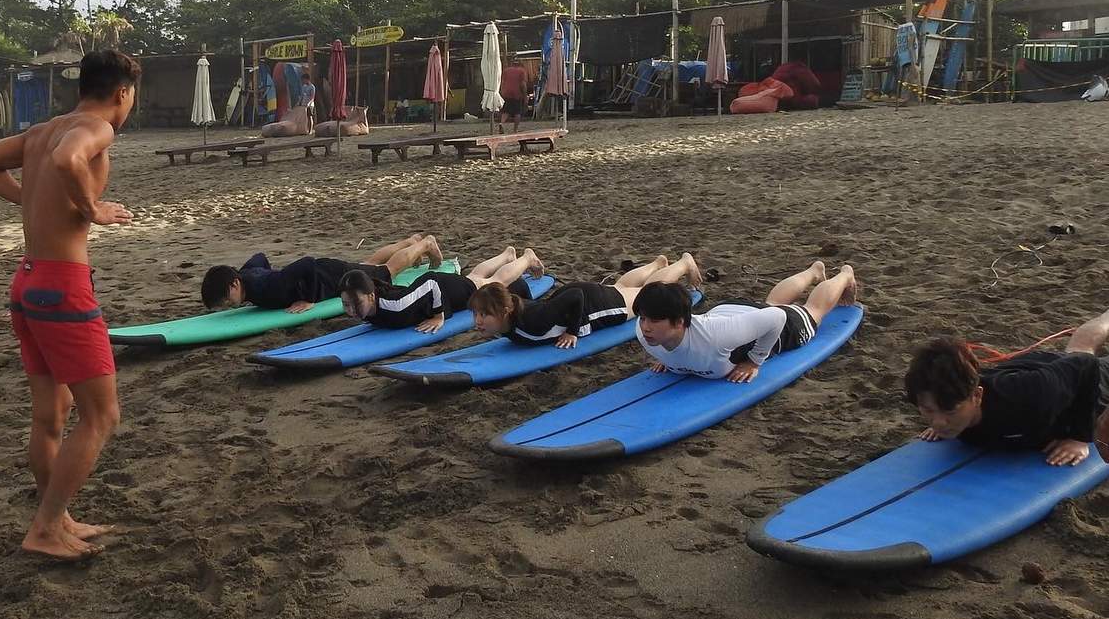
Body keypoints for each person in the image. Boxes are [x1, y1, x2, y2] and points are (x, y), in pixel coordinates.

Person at [0, 49, 140, 561]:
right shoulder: (97, 127)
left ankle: (57, 518)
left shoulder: (43, 130)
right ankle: (44, 529)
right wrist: (93, 210)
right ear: (122, 93)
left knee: (52, 414)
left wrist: (33, 200)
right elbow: (68, 160)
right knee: (102, 415)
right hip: (63, 288)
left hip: (28, 282)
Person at [905, 309, 1109, 466]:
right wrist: (942, 417)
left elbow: (1085, 366)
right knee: (1077, 349)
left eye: (950, 411)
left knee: (1083, 353)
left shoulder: (1028, 397)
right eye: (929, 411)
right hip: (1031, 368)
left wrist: (1080, 437)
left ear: (977, 395)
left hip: (1079, 384)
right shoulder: (941, 393)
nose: (939, 423)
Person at [634, 261, 857, 382]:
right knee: (770, 303)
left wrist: (754, 361)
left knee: (812, 311)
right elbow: (678, 344)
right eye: (643, 319)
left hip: (759, 326)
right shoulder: (644, 334)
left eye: (654, 321)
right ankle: (813, 271)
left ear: (679, 322)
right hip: (731, 313)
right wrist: (670, 356)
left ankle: (845, 275)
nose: (645, 327)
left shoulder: (716, 337)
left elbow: (777, 317)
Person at [471, 253, 702, 348]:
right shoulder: (511, 317)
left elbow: (576, 296)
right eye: (476, 314)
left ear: (504, 312)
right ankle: (656, 265)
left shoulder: (535, 321)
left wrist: (573, 331)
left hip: (593, 303)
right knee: (620, 287)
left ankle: (684, 263)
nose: (477, 321)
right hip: (579, 295)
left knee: (645, 295)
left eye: (483, 314)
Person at [200, 234, 444, 313]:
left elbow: (306, 263)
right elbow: (260, 257)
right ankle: (410, 241)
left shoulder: (268, 288)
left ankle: (425, 244)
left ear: (234, 284)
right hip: (325, 269)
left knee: (385, 272)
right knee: (367, 264)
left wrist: (310, 299)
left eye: (225, 301)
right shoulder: (247, 275)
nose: (228, 306)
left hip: (326, 275)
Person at [341, 246, 545, 333]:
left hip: (442, 289)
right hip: (439, 290)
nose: (350, 311)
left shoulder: (394, 306)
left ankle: (527, 258)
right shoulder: (371, 306)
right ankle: (507, 255)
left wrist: (439, 316)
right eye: (346, 305)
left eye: (355, 304)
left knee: (492, 284)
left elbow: (431, 282)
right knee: (473, 279)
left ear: (370, 296)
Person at [499, 62, 528, 134]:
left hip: (506, 92)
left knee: (506, 111)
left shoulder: (506, 70)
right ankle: (515, 129)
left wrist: (502, 92)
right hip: (516, 93)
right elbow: (523, 84)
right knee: (517, 112)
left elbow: (502, 82)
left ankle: (502, 123)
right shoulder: (522, 71)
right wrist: (525, 95)